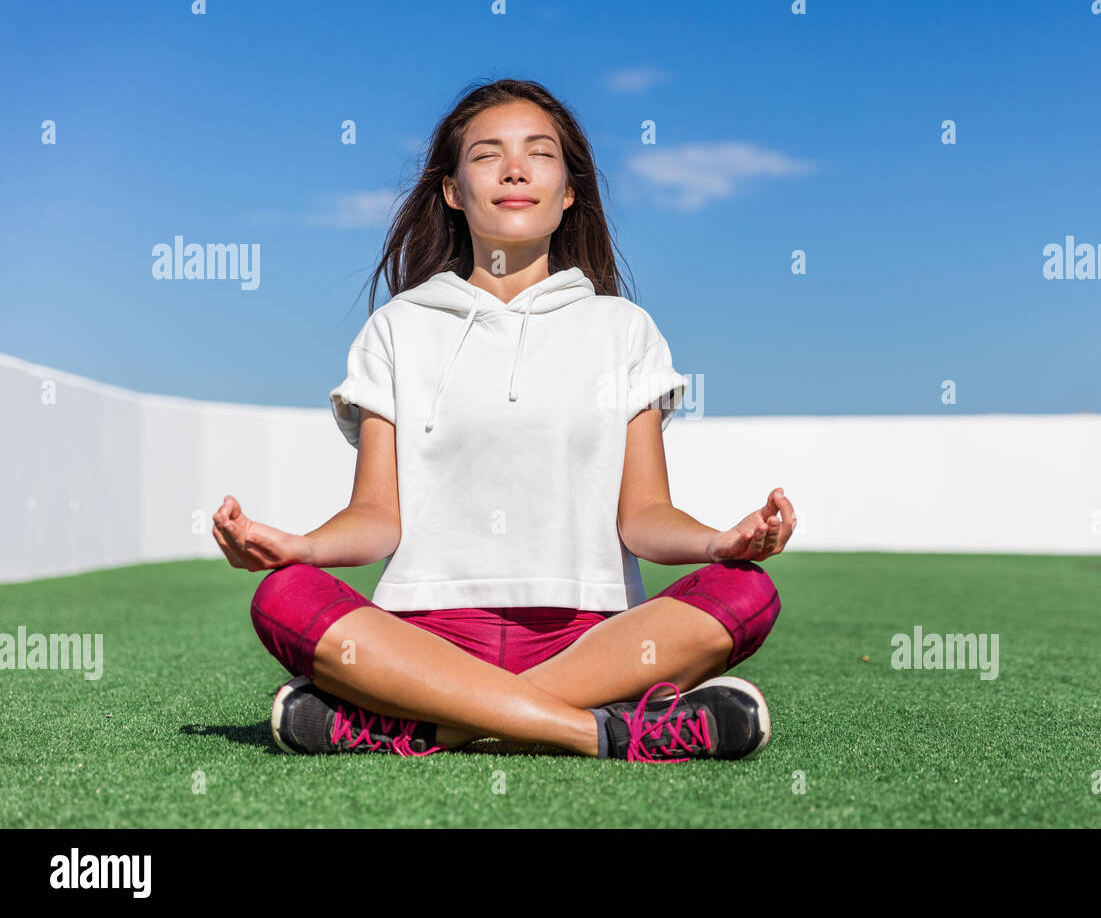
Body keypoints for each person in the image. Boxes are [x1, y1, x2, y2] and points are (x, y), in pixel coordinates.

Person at [212, 78, 797, 764]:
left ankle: (425, 723)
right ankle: (603, 731)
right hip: (423, 640)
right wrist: (301, 547)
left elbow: (642, 515)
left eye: (538, 153)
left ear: (569, 189)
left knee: (747, 592)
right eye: (487, 154)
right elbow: (377, 514)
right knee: (283, 596)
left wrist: (720, 542)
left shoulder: (625, 329)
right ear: (454, 191)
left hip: (594, 643)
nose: (515, 169)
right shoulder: (396, 329)